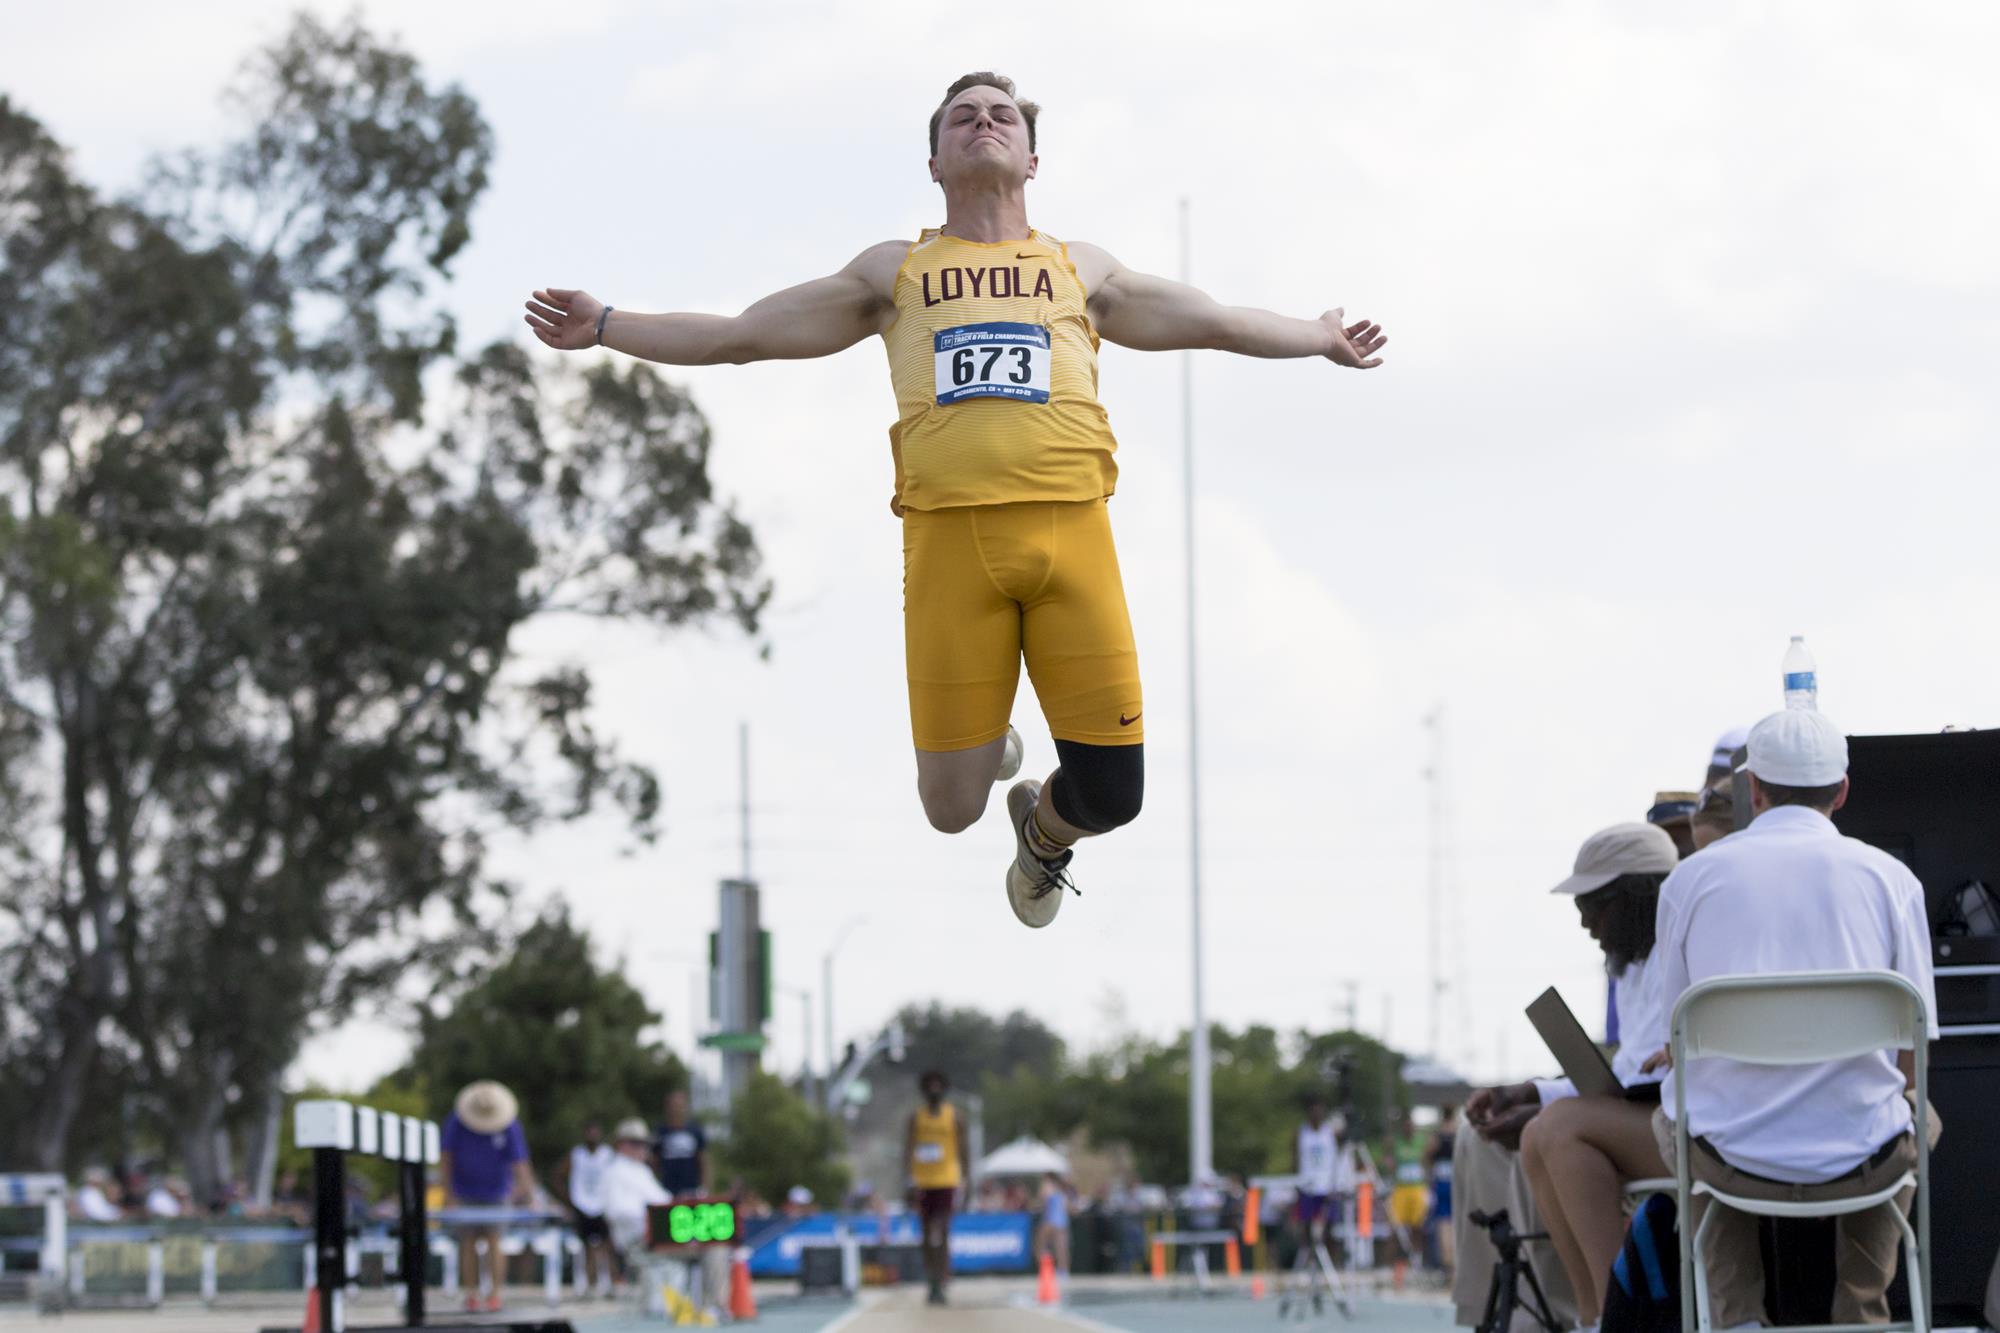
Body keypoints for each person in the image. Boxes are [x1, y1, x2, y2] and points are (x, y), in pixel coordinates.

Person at [524, 72, 1386, 930]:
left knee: (1115, 795)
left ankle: (1043, 837)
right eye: (962, 117)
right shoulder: (893, 272)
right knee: (949, 810)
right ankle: (990, 732)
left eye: (1002, 114)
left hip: (1072, 539)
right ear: (934, 162)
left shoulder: (1080, 268)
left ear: (1032, 159)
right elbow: (742, 334)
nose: (984, 122)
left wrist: (1319, 336)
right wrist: (607, 324)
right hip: (950, 550)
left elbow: (1218, 321)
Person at [1644, 708, 1939, 1330]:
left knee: (1673, 1114)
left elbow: (1679, 1039)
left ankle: (1737, 1317)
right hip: (1863, 1159)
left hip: (1730, 1160)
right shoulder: (1894, 881)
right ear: (1842, 791)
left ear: (1754, 791)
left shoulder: (1690, 881)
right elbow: (1913, 1053)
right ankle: (1860, 1306)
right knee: (1919, 1114)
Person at [1452, 821, 1679, 1331]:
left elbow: (1645, 1079)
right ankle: (1594, 1313)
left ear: (1638, 896)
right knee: (1538, 1130)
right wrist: (1531, 1091)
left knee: (1556, 1129)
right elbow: (1625, 1074)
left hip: (1698, 1124)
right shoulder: (1632, 965)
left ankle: (1618, 1315)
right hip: (1661, 1119)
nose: (1585, 924)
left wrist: (1551, 1104)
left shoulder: (1681, 948)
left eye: (1591, 907)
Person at [439, 1080, 534, 1314]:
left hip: (497, 1194)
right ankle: (470, 1294)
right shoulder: (456, 1122)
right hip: (464, 1193)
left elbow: (519, 1162)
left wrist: (526, 1191)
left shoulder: (509, 1125)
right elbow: (445, 1157)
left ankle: (495, 1294)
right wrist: (448, 1193)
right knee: (468, 1242)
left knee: (494, 1241)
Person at [906, 1068, 970, 1306]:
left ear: (944, 1089)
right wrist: (908, 1181)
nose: (934, 1089)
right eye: (929, 1085)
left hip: (946, 1180)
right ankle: (931, 1279)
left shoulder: (955, 1117)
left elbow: (964, 1151)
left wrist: (967, 1181)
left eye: (938, 1085)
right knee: (925, 1234)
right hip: (923, 1182)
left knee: (940, 1230)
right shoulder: (916, 1117)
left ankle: (941, 1277)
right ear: (924, 1090)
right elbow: (908, 1149)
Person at [555, 1119, 615, 1299]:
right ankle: (587, 1285)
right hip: (582, 1206)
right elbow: (558, 1176)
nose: (592, 1135)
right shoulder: (576, 1154)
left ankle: (609, 1284)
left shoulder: (608, 1154)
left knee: (606, 1247)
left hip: (602, 1205)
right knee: (585, 1249)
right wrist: (568, 1202)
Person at [1294, 1097, 1343, 1252]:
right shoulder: (1301, 1132)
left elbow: (1336, 1159)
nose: (1317, 1114)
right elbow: (1295, 1157)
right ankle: (1309, 1254)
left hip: (1326, 1184)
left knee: (1330, 1222)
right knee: (1306, 1222)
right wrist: (1297, 1181)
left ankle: (1328, 1255)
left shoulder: (1329, 1132)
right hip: (1307, 1184)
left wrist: (1335, 1182)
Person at [651, 1090, 710, 1199]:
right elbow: (655, 1161)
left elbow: (703, 1160)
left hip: (691, 1188)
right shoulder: (661, 1131)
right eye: (673, 1105)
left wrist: (704, 1187)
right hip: (667, 1189)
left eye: (679, 1105)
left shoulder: (695, 1130)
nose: (676, 1109)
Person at [1427, 1107, 1458, 1279]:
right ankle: (1451, 1266)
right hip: (1452, 1182)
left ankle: (1449, 1266)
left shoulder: (1437, 1135)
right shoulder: (1458, 1132)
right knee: (1453, 1224)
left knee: (1444, 1224)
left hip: (1443, 1183)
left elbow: (1427, 1156)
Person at [1037, 1172, 1073, 1292]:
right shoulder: (1062, 1192)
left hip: (1053, 1220)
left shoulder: (1049, 1186)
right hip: (1060, 1220)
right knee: (1060, 1246)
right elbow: (1067, 1207)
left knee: (1053, 1245)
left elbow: (1043, 1198)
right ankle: (1061, 1270)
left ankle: (1055, 1270)